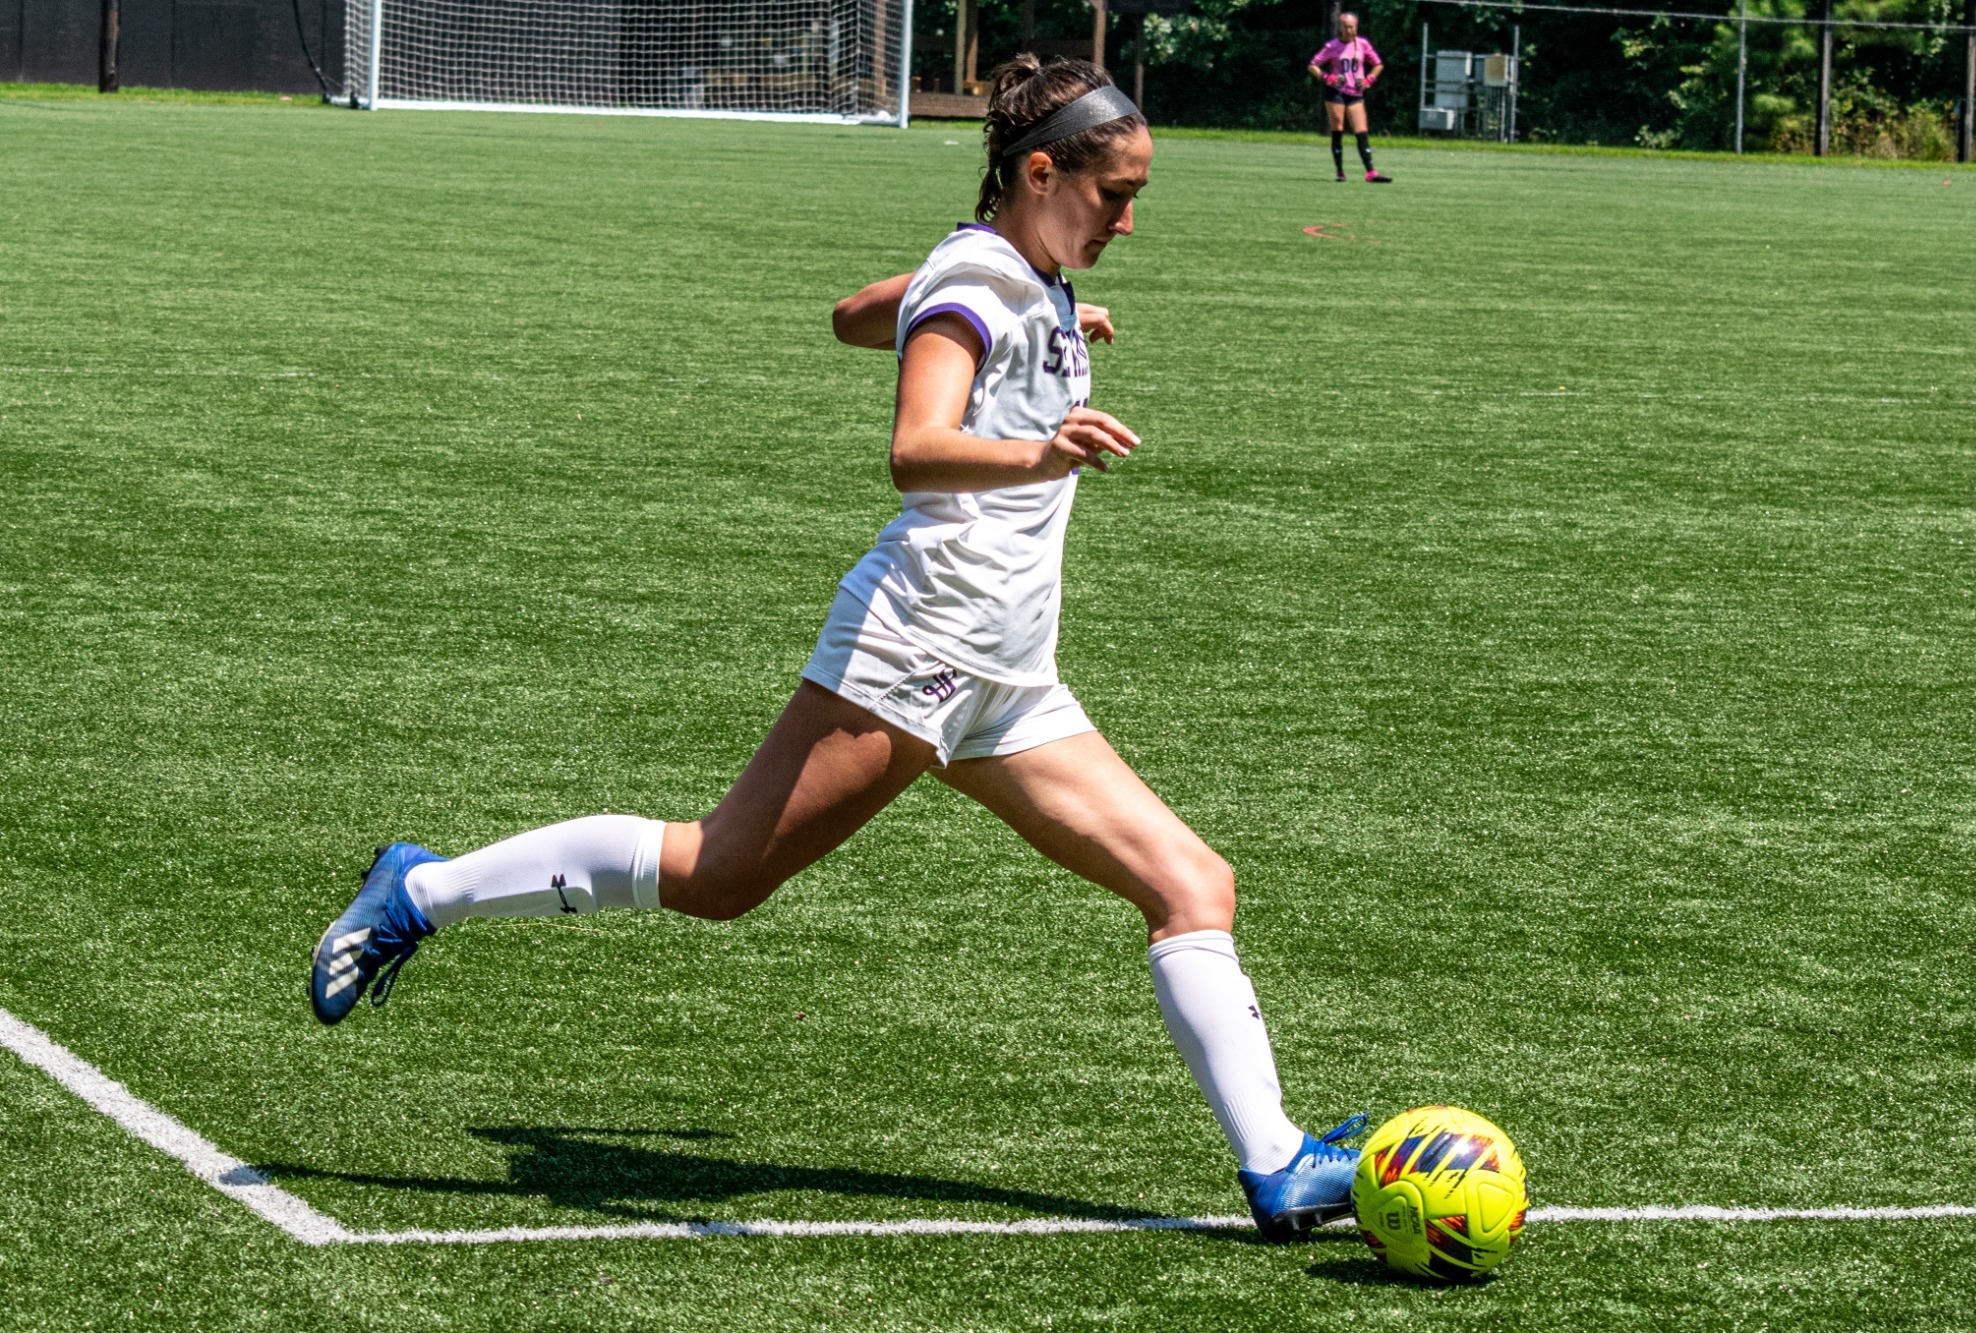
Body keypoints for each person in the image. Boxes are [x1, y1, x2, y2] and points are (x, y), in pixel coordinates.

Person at [308, 54, 1366, 1244]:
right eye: (1113, 195)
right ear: (1037, 171)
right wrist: (1037, 439)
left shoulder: (1012, 278)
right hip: (919, 648)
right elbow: (916, 446)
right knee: (718, 876)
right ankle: (424, 887)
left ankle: (1275, 1165)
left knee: (1190, 884)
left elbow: (855, 316)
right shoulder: (986, 277)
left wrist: (1036, 324)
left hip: (1008, 680)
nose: (1127, 218)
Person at [1309, 13, 1391, 183]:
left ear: (1356, 26)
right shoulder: (1332, 46)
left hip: (1355, 93)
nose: (1349, 30)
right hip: (1336, 93)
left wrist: (1369, 80)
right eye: (1346, 26)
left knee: (1361, 132)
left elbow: (1378, 64)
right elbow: (1313, 65)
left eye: (1352, 26)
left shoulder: (1362, 44)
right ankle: (1340, 171)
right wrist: (1327, 78)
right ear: (1340, 27)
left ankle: (1371, 172)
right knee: (1338, 129)